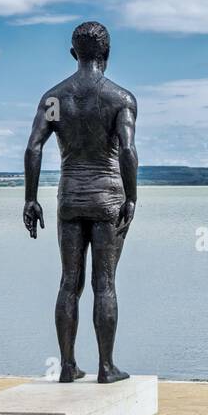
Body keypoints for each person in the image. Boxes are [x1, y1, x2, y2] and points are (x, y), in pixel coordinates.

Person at [23, 22, 137, 383]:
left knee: (69, 282)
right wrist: (132, 196)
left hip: (71, 197)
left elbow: (34, 147)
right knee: (105, 283)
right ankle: (106, 367)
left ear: (74, 53)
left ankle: (68, 366)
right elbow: (128, 151)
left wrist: (30, 198)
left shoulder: (56, 99)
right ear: (107, 53)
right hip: (107, 198)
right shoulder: (120, 99)